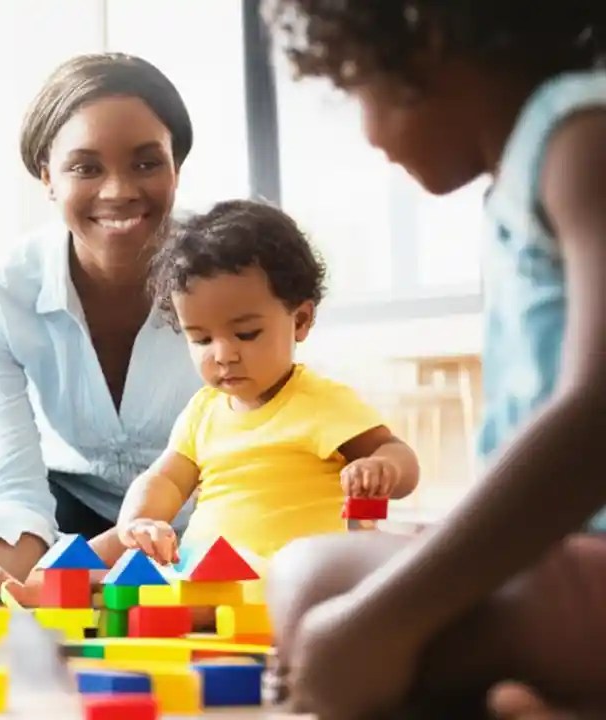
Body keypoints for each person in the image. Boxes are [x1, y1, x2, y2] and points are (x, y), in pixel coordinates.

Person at [258, 1, 606, 717]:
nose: (367, 134)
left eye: (357, 89)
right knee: (327, 584)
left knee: (315, 583)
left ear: (428, 42)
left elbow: (596, 412)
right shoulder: (527, 169)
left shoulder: (580, 137)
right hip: (574, 563)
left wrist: (378, 622)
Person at [0, 53, 204, 582]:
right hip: (69, 518)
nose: (118, 190)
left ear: (175, 169)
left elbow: (262, 444)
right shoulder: (3, 292)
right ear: (48, 177)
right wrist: (14, 595)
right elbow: (11, 484)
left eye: (146, 163)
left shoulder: (232, 272)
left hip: (211, 519)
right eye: (85, 167)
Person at [114, 200, 419, 593]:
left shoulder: (319, 402)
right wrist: (141, 520)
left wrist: (383, 469)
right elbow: (166, 479)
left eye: (246, 334)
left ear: (301, 320)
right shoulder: (203, 411)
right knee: (124, 581)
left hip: (286, 577)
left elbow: (398, 456)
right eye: (202, 339)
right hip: (203, 572)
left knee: (157, 595)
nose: (223, 354)